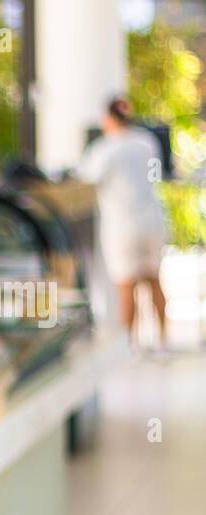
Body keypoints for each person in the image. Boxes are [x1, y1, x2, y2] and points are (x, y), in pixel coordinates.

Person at [77, 96, 170, 353]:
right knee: (154, 279)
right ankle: (162, 343)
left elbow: (88, 181)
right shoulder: (147, 142)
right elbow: (156, 175)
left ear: (108, 119)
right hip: (152, 219)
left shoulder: (104, 149)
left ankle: (131, 346)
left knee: (125, 284)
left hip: (122, 225)